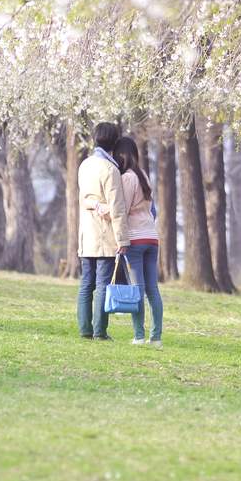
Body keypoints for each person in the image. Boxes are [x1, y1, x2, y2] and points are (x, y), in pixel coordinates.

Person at [89, 136, 164, 347]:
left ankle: (139, 336)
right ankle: (156, 337)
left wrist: (100, 208)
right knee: (152, 290)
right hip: (152, 238)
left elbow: (121, 209)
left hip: (135, 240)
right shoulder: (144, 176)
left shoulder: (127, 179)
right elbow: (151, 210)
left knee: (136, 289)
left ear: (120, 155)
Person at [77, 122, 130, 340]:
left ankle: (84, 329)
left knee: (86, 284)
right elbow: (117, 208)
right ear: (114, 142)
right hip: (105, 236)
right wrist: (123, 240)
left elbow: (83, 199)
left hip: (86, 234)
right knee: (102, 285)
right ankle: (100, 331)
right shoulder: (110, 169)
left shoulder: (85, 165)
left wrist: (95, 204)